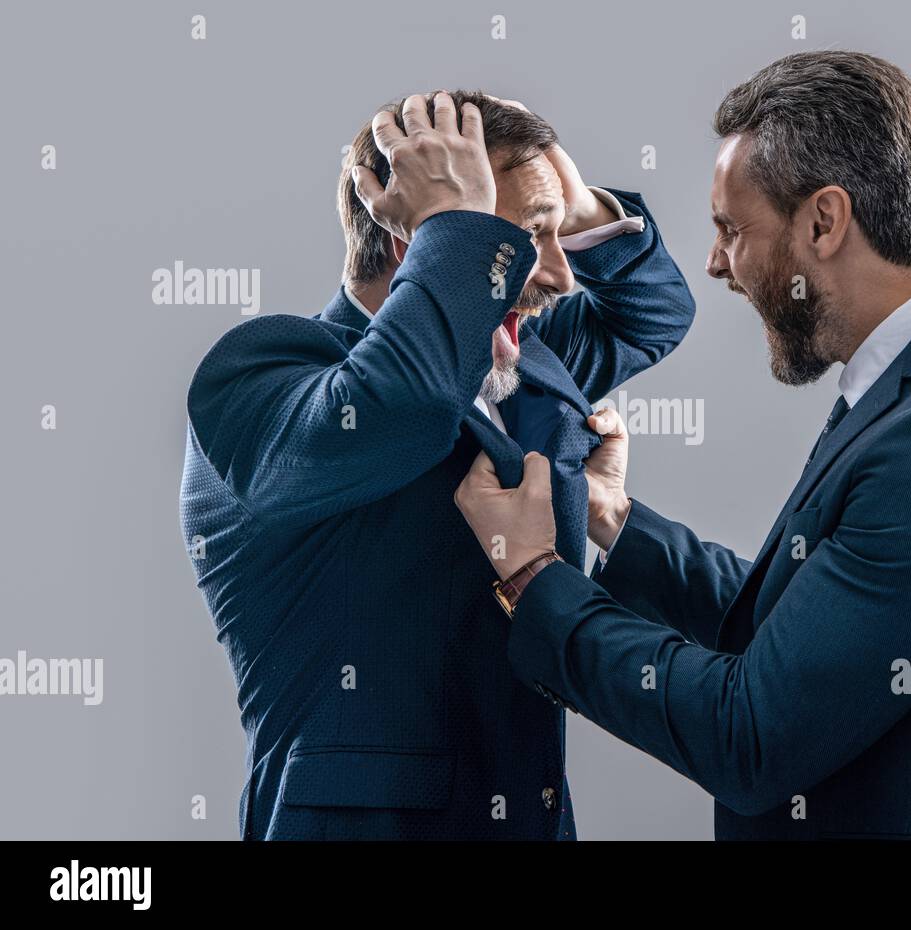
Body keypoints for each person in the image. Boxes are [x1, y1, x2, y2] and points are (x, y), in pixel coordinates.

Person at [454, 52, 911, 840]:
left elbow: (749, 735)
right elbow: (800, 633)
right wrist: (614, 517)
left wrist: (536, 577)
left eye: (730, 230)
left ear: (824, 221)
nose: (715, 264)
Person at [180, 90, 694, 839]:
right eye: (523, 239)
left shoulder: (518, 360)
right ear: (413, 239)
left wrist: (577, 208)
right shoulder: (264, 377)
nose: (558, 275)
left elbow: (653, 313)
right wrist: (454, 226)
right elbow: (408, 404)